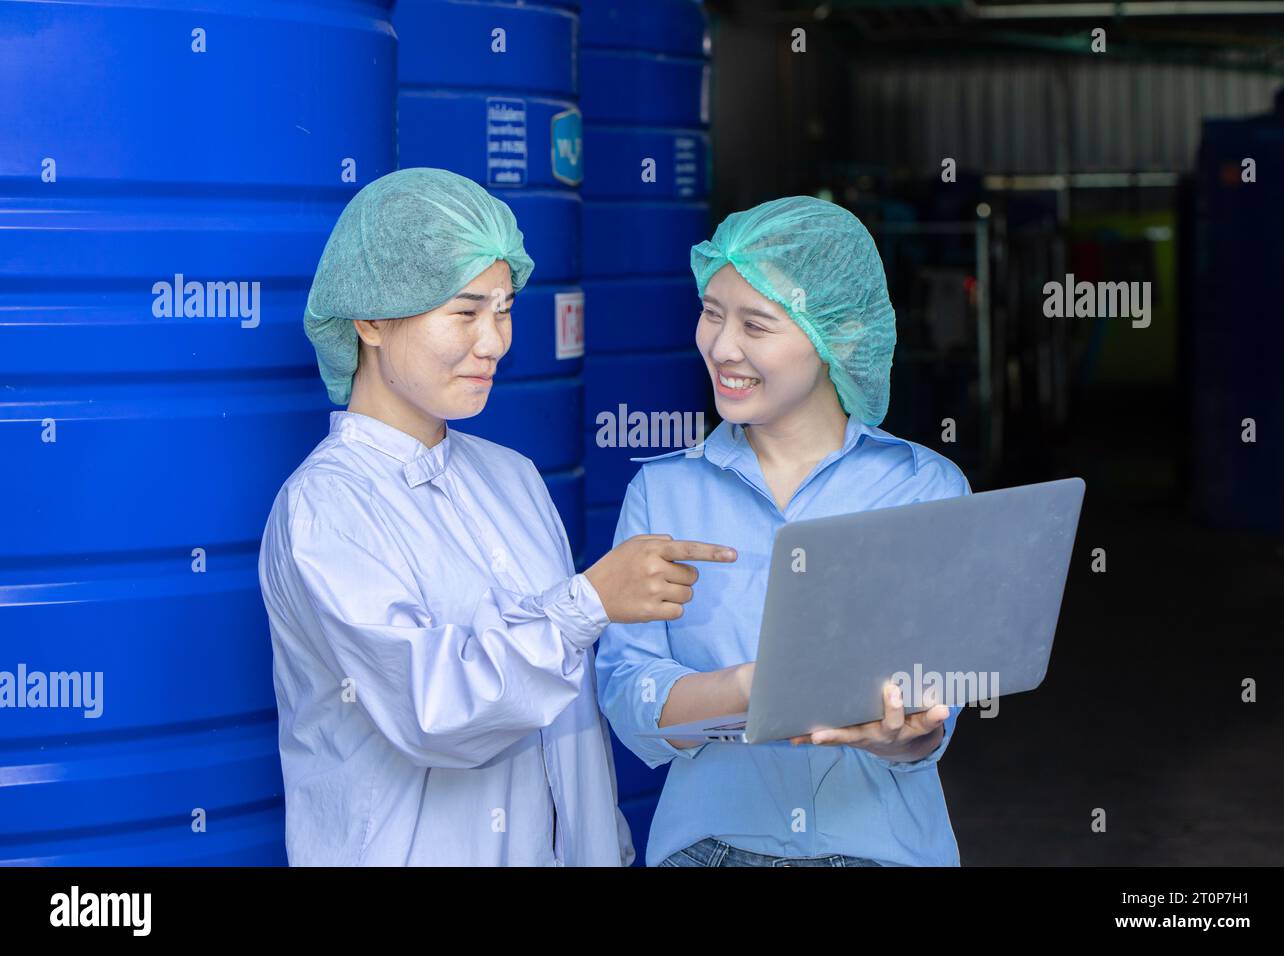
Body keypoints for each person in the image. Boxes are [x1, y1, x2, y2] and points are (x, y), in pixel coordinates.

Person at [257, 168, 736, 866]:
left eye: (505, 308)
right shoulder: (327, 509)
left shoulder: (509, 477)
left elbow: (563, 723)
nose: (495, 341)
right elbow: (435, 713)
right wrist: (589, 602)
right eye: (465, 311)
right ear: (369, 320)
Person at [595, 195, 969, 868]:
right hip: (707, 851)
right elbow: (628, 693)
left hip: (881, 852)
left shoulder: (924, 488)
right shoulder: (663, 492)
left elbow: (932, 720)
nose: (722, 346)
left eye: (757, 324)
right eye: (712, 313)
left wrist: (896, 738)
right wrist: (747, 690)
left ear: (842, 336)